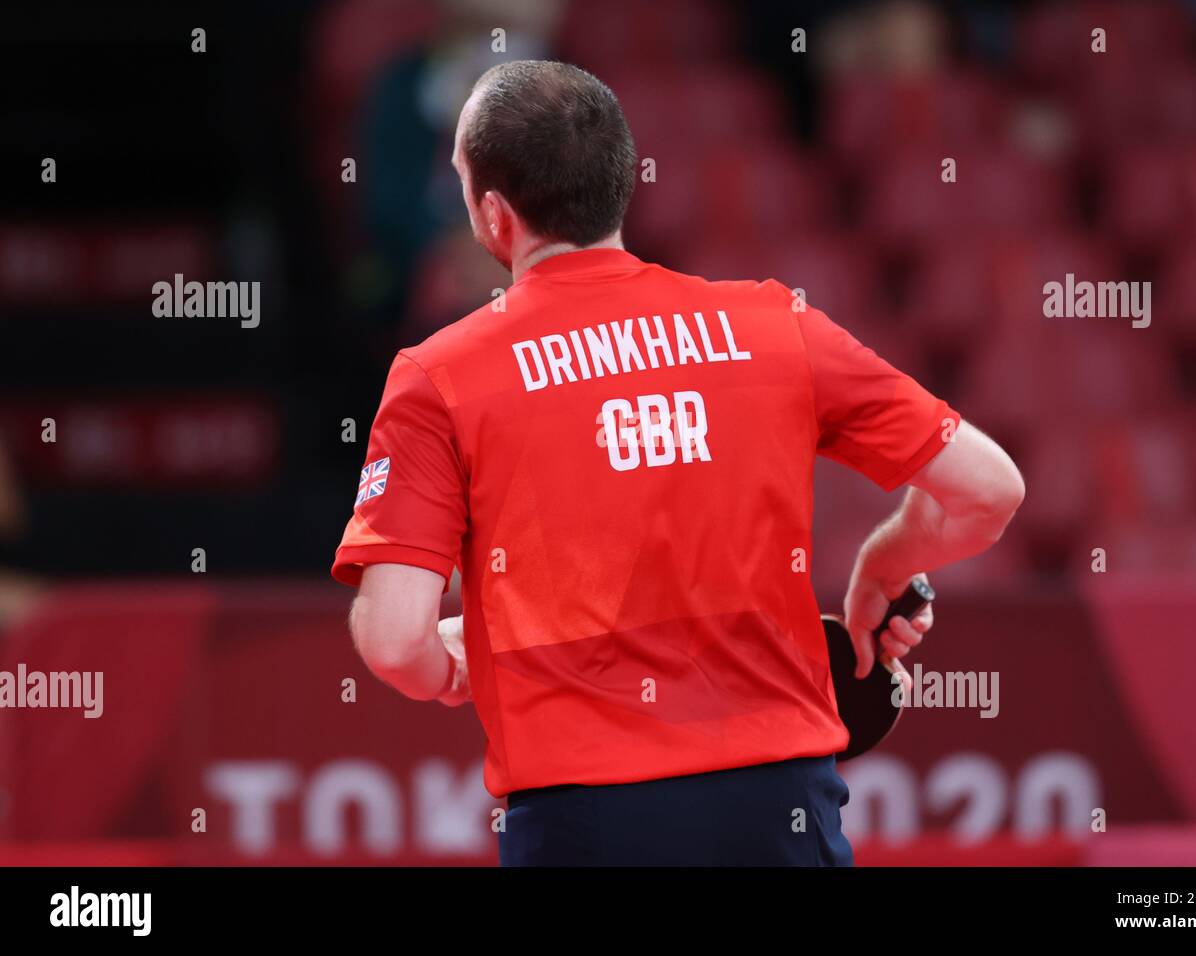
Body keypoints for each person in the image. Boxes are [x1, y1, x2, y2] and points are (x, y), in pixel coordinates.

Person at [332, 60, 1024, 866]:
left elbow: (392, 642)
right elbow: (989, 490)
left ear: (492, 214)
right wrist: (887, 560)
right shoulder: (775, 325)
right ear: (621, 185)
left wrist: (447, 664)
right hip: (779, 808)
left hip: (582, 824)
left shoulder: (439, 377)